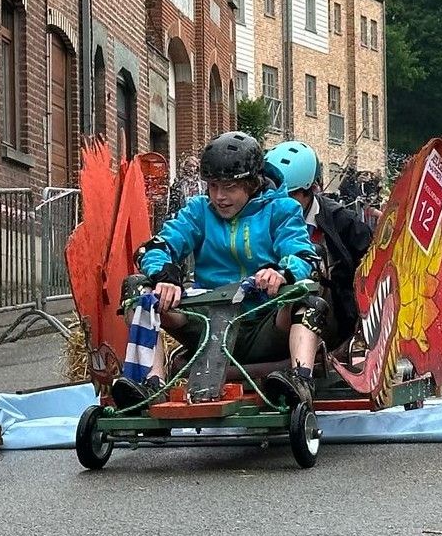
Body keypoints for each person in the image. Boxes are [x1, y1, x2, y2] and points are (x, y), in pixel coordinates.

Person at [121, 131, 324, 405]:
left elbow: (303, 255)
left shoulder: (282, 209)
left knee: (307, 296)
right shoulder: (198, 211)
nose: (219, 197)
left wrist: (281, 272)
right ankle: (151, 384)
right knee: (137, 287)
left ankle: (300, 380)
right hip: (205, 323)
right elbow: (153, 248)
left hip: (262, 322)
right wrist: (165, 276)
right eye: (213, 186)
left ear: (251, 184)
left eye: (229, 187)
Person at [263, 140, 374, 360]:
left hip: (330, 316)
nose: (279, 204)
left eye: (289, 196)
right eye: (273, 195)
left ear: (312, 190)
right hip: (269, 318)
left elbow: (372, 266)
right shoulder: (260, 217)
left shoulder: (343, 222)